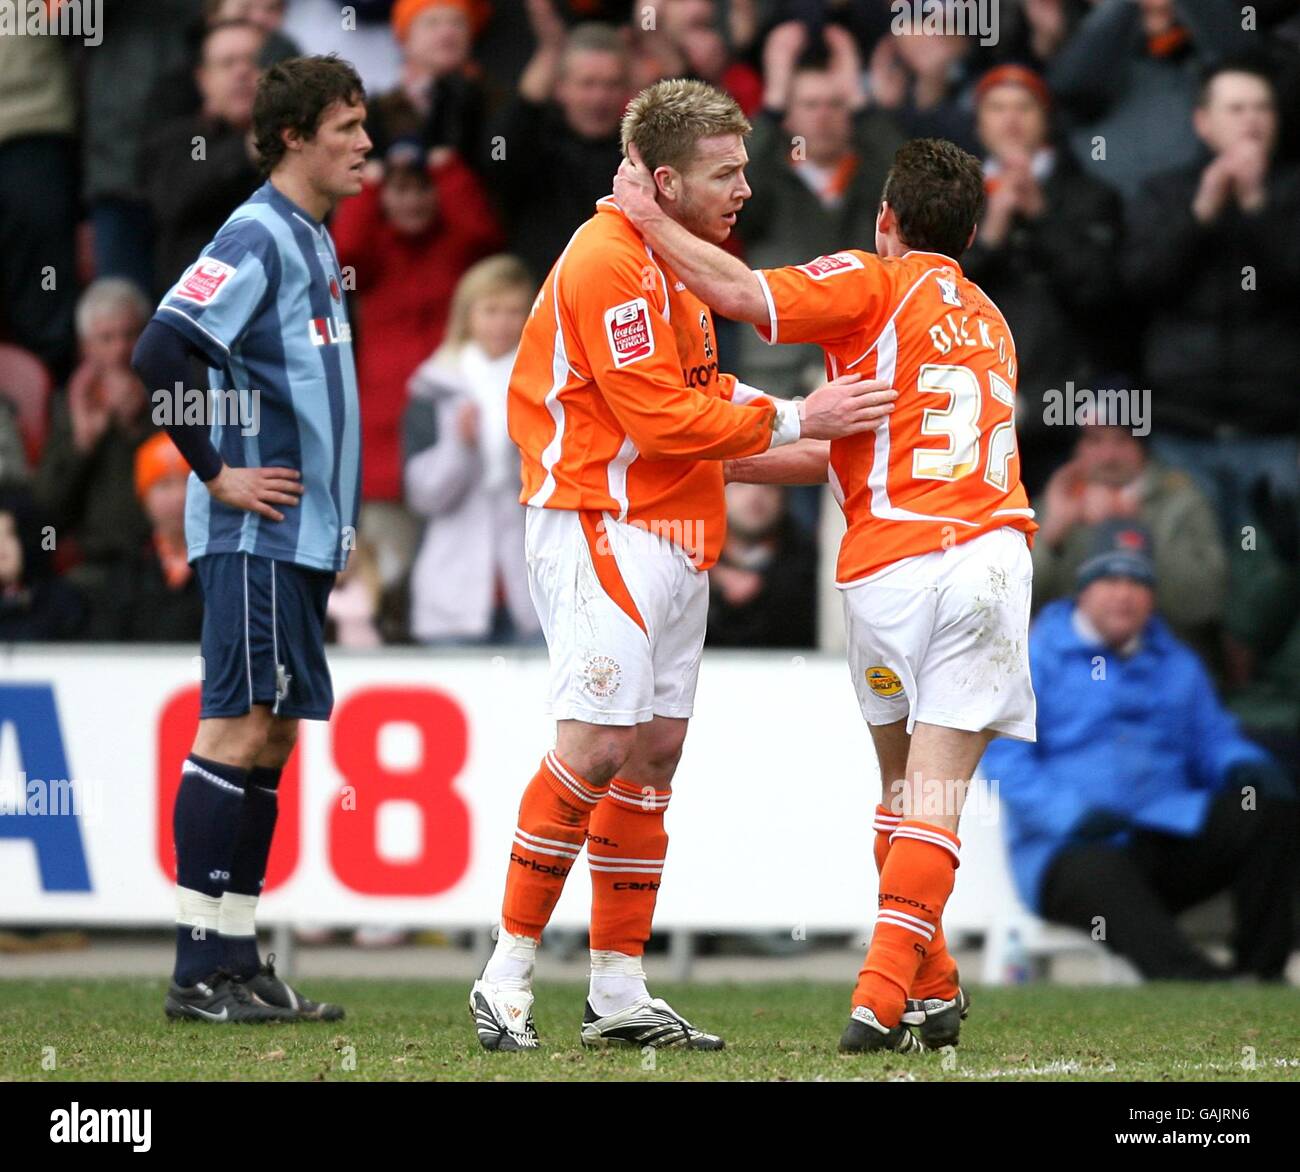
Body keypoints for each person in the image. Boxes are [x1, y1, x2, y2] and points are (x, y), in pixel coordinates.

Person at [472, 78, 897, 1053]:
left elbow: (705, 406)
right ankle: (505, 974)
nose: (747, 186)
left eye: (745, 167)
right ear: (664, 179)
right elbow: (659, 419)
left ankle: (618, 989)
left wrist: (844, 450)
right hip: (598, 518)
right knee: (592, 745)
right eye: (727, 171)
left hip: (673, 525)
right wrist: (803, 418)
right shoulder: (606, 261)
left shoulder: (679, 264)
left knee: (653, 754)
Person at [616, 136, 1037, 1053]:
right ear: (969, 231)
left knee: (898, 787)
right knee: (927, 793)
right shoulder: (992, 320)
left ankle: (879, 997)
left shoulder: (873, 280)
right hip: (992, 559)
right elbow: (845, 451)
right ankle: (923, 987)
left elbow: (739, 294)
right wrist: (721, 459)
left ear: (886, 221)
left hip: (890, 572)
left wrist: (648, 220)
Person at [130, 54, 370, 1024]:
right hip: (256, 532)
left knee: (267, 734)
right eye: (347, 127)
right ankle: (197, 967)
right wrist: (215, 469)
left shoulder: (310, 237)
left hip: (301, 538)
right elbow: (160, 346)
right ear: (291, 138)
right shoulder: (260, 231)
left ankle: (235, 954)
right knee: (235, 725)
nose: (366, 144)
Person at [983, 524, 1298, 981]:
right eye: (1109, 580)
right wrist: (1072, 816)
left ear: (1152, 595)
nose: (1123, 595)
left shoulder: (1176, 660)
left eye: (1137, 582)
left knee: (1270, 813)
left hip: (1166, 832)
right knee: (1101, 873)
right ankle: (1195, 982)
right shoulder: (1034, 656)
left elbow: (1212, 740)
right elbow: (1002, 761)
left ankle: (1261, 973)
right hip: (1072, 851)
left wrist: (1245, 765)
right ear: (1083, 589)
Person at [404, 255, 540, 645]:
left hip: (533, 591)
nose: (502, 323)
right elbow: (423, 498)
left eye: (514, 311)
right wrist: (459, 448)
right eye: (491, 311)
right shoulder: (432, 386)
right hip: (453, 593)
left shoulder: (548, 385)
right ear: (467, 315)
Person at [1032, 422, 1227, 666]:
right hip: (1065, 667)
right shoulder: (1056, 500)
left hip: (1161, 666)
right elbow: (1007, 604)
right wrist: (1052, 534)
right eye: (1095, 441)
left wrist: (1136, 526)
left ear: (1143, 447)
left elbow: (1203, 604)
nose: (1108, 456)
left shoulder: (1184, 503)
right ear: (1077, 448)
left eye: (1122, 441)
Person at [34, 280, 156, 596]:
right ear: (87, 346)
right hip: (96, 567)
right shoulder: (68, 406)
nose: (120, 349)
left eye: (130, 335)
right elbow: (48, 508)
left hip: (163, 563)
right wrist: (83, 445)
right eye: (107, 338)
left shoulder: (178, 395)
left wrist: (136, 428)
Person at [141, 19, 266, 297]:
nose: (243, 72)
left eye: (253, 60)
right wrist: (245, 152)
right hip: (200, 313)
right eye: (228, 63)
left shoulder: (298, 142)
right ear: (203, 79)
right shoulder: (178, 139)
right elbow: (174, 198)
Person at [90, 433, 205, 642]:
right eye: (164, 484)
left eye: (188, 481)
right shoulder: (127, 566)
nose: (179, 496)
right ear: (144, 497)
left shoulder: (227, 562)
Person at [706, 483, 817, 650]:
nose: (755, 496)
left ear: (785, 494)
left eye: (768, 485)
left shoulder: (812, 561)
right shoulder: (689, 558)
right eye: (741, 485)